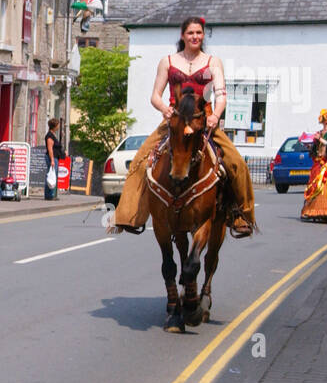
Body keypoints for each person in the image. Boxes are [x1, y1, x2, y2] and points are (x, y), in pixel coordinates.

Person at [109, 16, 256, 237]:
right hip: (174, 120)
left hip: (203, 119)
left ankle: (240, 216)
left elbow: (221, 95)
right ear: (183, 35)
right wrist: (164, 109)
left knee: (236, 164)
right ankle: (129, 216)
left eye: (199, 33)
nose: (195, 36)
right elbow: (155, 96)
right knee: (139, 162)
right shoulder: (167, 61)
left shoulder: (213, 62)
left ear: (203, 35)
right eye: (191, 33)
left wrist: (215, 114)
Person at [43, 118, 60, 200]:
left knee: (53, 176)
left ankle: (51, 194)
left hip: (55, 158)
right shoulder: (49, 136)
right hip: (51, 158)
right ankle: (49, 195)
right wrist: (52, 160)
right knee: (50, 176)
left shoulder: (53, 135)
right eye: (58, 125)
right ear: (54, 126)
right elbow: (50, 149)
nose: (59, 127)